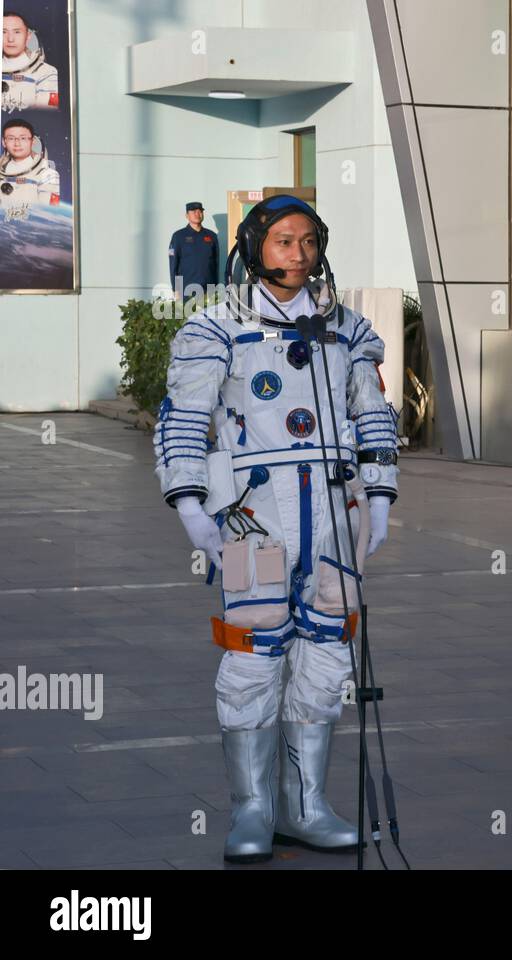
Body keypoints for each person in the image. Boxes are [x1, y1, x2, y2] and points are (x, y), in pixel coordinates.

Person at [153, 195, 399, 863]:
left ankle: (306, 804)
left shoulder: (346, 330)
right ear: (254, 247)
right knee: (253, 658)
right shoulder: (214, 331)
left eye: (309, 240)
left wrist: (379, 495)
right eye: (284, 241)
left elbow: (372, 414)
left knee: (325, 658)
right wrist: (190, 505)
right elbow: (181, 420)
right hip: (254, 516)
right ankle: (253, 811)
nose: (299, 253)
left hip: (332, 514)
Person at [1, 118, 59, 217]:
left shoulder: (47, 174)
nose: (17, 143)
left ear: (32, 141)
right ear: (4, 142)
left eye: (23, 138)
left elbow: (49, 214)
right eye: (11, 138)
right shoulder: (2, 172)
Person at [2, 10, 59, 111]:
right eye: (3, 32)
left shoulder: (47, 72)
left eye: (17, 32)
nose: (10, 39)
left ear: (28, 36)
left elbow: (46, 113)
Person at [168, 201, 221, 302]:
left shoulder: (211, 236)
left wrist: (215, 287)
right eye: (193, 212)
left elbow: (215, 264)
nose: (197, 214)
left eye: (200, 211)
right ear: (187, 215)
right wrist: (176, 289)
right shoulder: (178, 236)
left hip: (208, 290)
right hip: (186, 289)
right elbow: (173, 265)